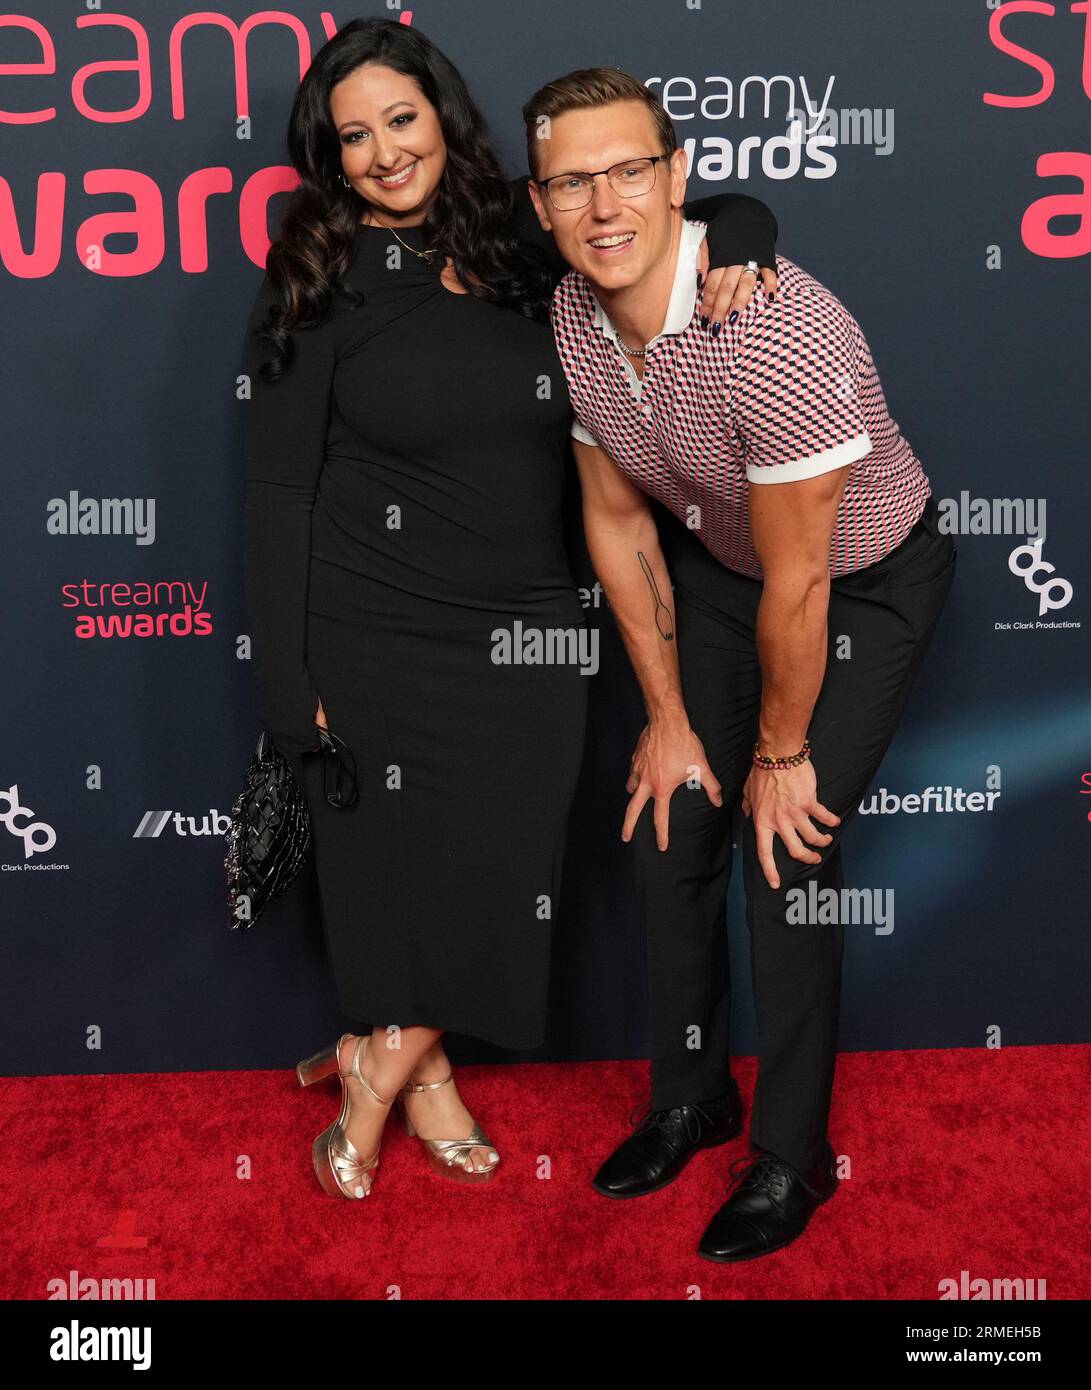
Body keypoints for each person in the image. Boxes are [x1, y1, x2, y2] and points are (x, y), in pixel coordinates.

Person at [240, 20, 780, 1201]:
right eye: (353, 137)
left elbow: (669, 222)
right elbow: (278, 492)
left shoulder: (519, 238)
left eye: (401, 118)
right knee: (395, 872)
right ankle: (414, 1077)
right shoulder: (317, 280)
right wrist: (292, 687)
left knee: (495, 866)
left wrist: (742, 232)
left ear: (442, 115)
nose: (384, 152)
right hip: (374, 628)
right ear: (329, 160)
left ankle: (371, 1057)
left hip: (530, 628)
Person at [523, 67, 956, 1259]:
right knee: (671, 818)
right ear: (539, 202)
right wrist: (663, 715)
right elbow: (614, 521)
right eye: (571, 181)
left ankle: (790, 1156)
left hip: (858, 579)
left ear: (675, 179)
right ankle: (690, 1097)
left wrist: (778, 753)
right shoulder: (570, 310)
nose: (601, 205)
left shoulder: (770, 332)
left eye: (627, 172)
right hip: (722, 569)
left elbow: (805, 580)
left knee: (783, 845)